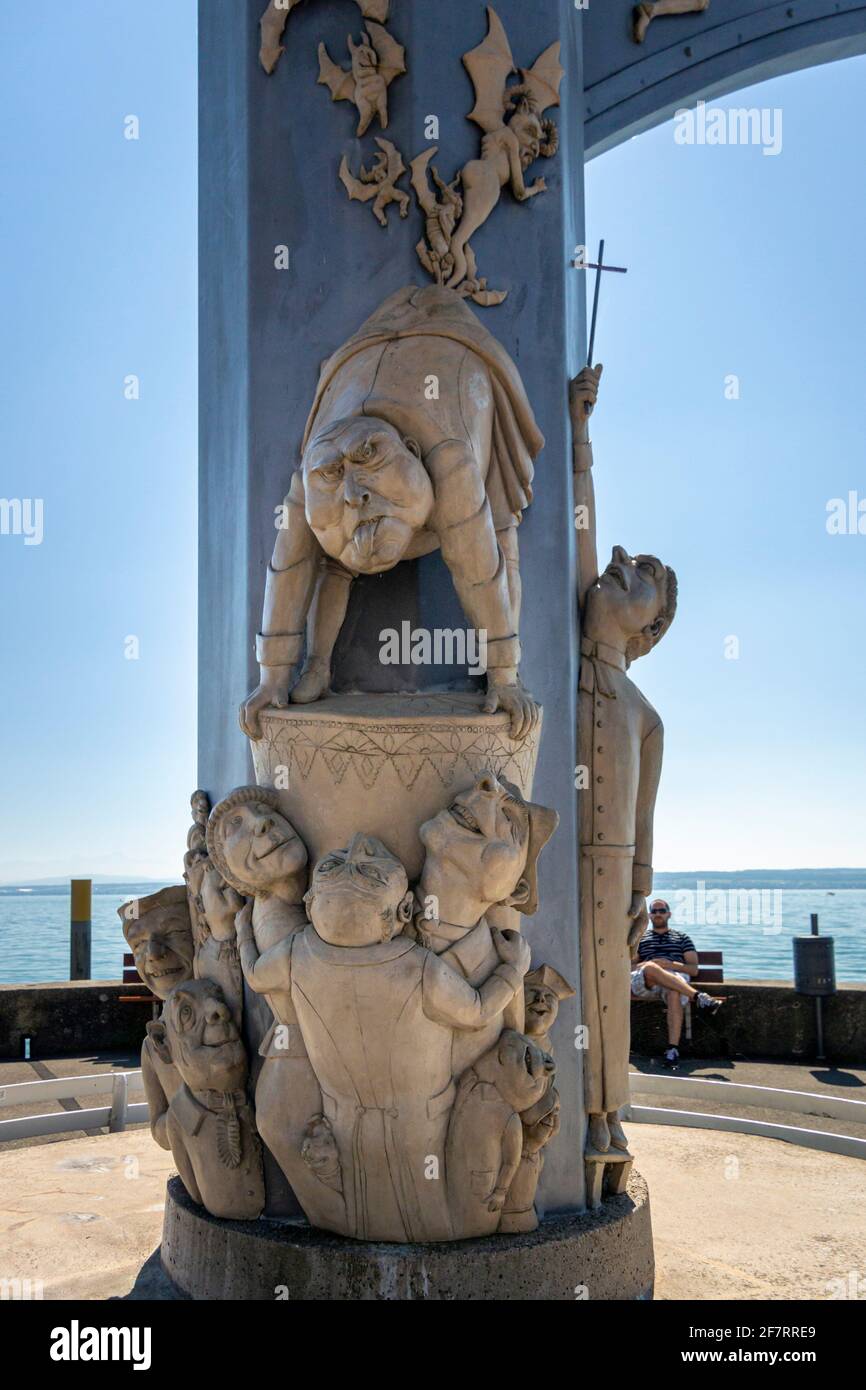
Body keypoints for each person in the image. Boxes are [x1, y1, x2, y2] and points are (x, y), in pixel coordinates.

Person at [632, 899, 723, 1067]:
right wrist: (649, 964)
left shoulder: (682, 938)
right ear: (650, 915)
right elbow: (629, 966)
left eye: (662, 910)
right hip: (647, 981)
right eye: (655, 911)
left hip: (675, 978)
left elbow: (693, 969)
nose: (658, 914)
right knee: (652, 968)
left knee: (674, 992)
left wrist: (670, 965)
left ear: (669, 914)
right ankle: (699, 997)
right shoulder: (641, 938)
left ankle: (672, 1050)